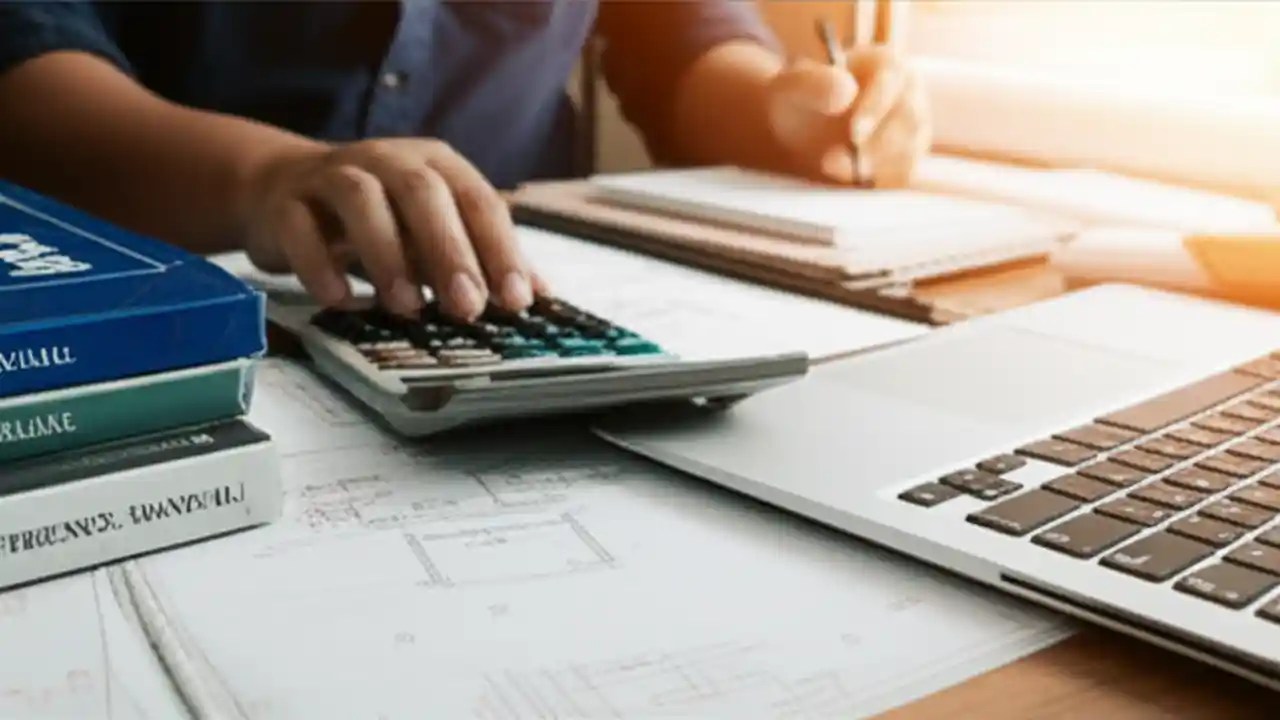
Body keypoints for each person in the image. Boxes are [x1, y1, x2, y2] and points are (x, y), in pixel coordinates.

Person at [0, 1, 929, 321]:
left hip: (534, 295)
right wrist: (269, 180)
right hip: (184, 284)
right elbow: (27, 72)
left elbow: (685, 42)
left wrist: (782, 112)